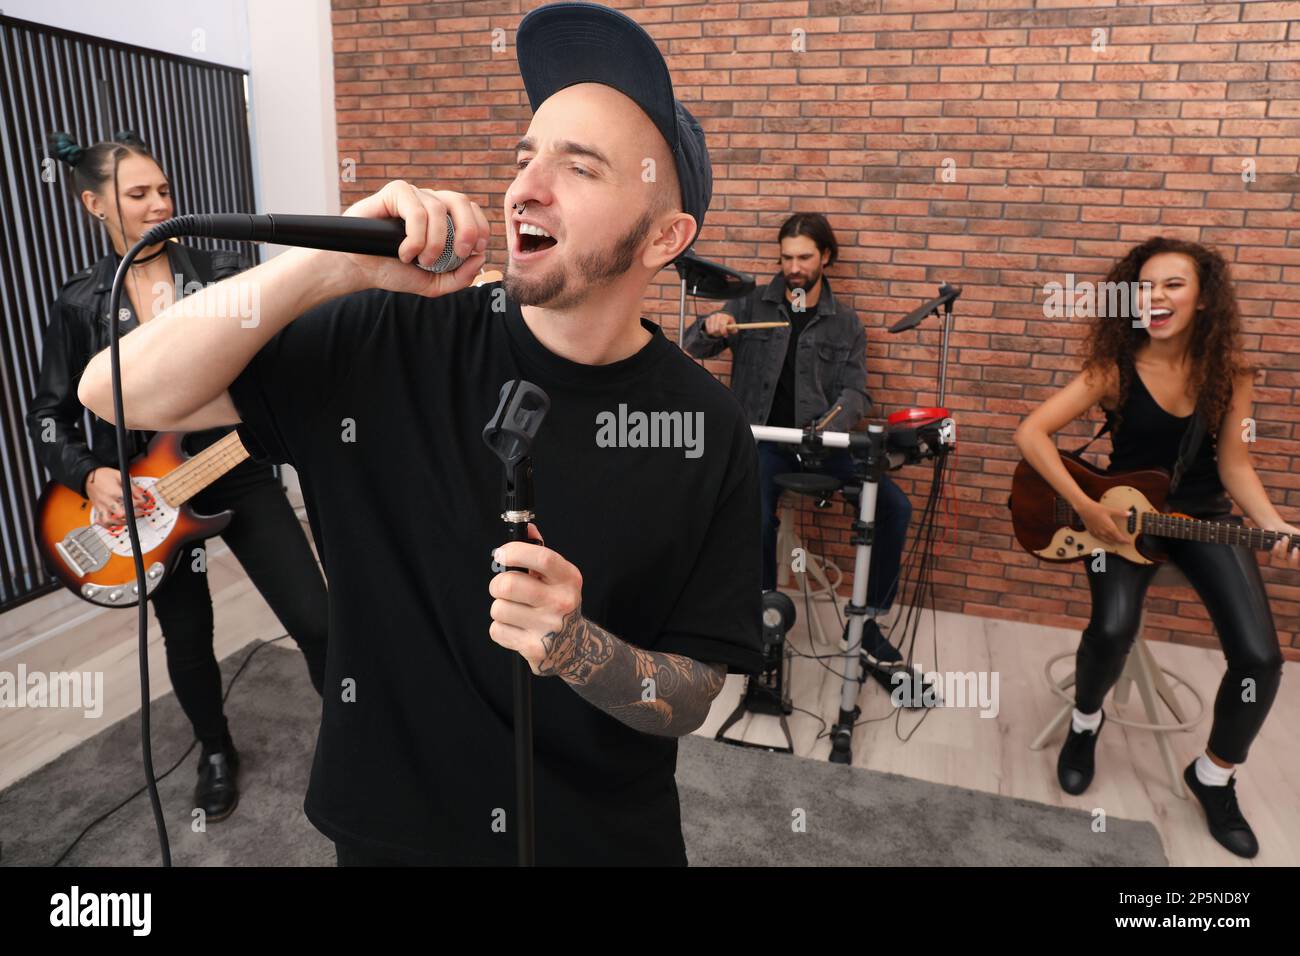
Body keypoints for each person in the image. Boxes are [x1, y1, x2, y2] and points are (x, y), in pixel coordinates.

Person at [78, 3, 762, 866]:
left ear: (665, 236)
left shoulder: (709, 433)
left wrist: (577, 648)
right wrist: (329, 268)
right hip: (388, 834)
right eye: (526, 157)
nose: (526, 187)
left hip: (598, 841)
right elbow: (112, 387)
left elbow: (696, 691)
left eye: (580, 167)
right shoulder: (386, 337)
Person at [26, 131, 329, 822]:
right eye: (139, 195)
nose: (160, 203)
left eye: (164, 190)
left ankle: (359, 734)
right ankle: (215, 749)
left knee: (317, 619)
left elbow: (280, 366)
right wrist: (91, 474)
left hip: (234, 469)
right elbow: (48, 413)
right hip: (144, 499)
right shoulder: (80, 304)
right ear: (94, 204)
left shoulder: (222, 271)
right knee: (187, 636)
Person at [1014, 236, 1299, 859]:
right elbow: (1031, 433)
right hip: (1120, 521)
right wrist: (1088, 507)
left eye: (1173, 284)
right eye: (1145, 286)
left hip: (1201, 519)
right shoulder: (1112, 369)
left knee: (1260, 659)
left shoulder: (1231, 376)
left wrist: (1275, 523)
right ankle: (1086, 722)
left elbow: (1236, 464)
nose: (1156, 296)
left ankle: (1214, 775)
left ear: (1203, 300)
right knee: (1112, 629)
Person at [683, 212, 911, 669]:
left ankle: (865, 620)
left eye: (804, 257)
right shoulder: (749, 305)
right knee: (755, 514)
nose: (793, 267)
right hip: (763, 440)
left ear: (825, 257)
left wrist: (830, 425)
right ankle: (763, 615)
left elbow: (857, 392)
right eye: (787, 257)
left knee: (893, 506)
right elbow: (694, 345)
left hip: (821, 444)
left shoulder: (846, 323)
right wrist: (710, 326)